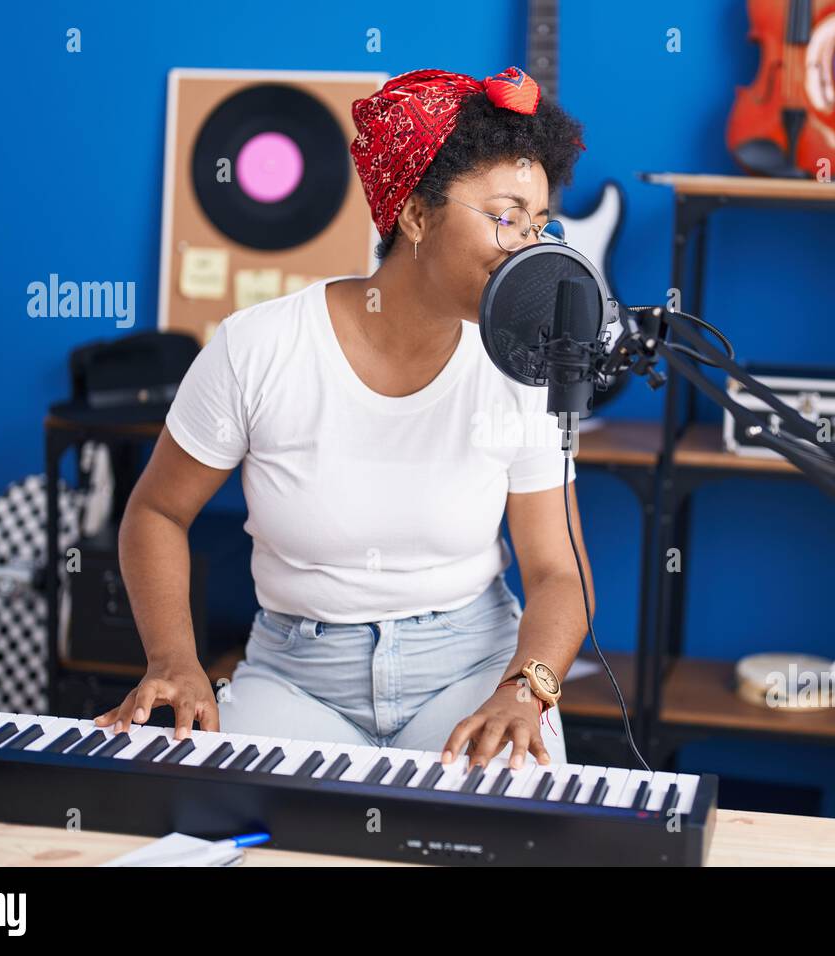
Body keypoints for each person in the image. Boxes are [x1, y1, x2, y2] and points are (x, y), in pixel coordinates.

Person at [96, 66, 595, 775]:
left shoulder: (524, 365)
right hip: (296, 677)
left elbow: (557, 572)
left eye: (539, 224)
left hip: (471, 674)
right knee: (221, 824)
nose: (529, 245)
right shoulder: (259, 348)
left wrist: (526, 689)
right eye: (506, 216)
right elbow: (156, 512)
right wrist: (175, 660)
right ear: (417, 216)